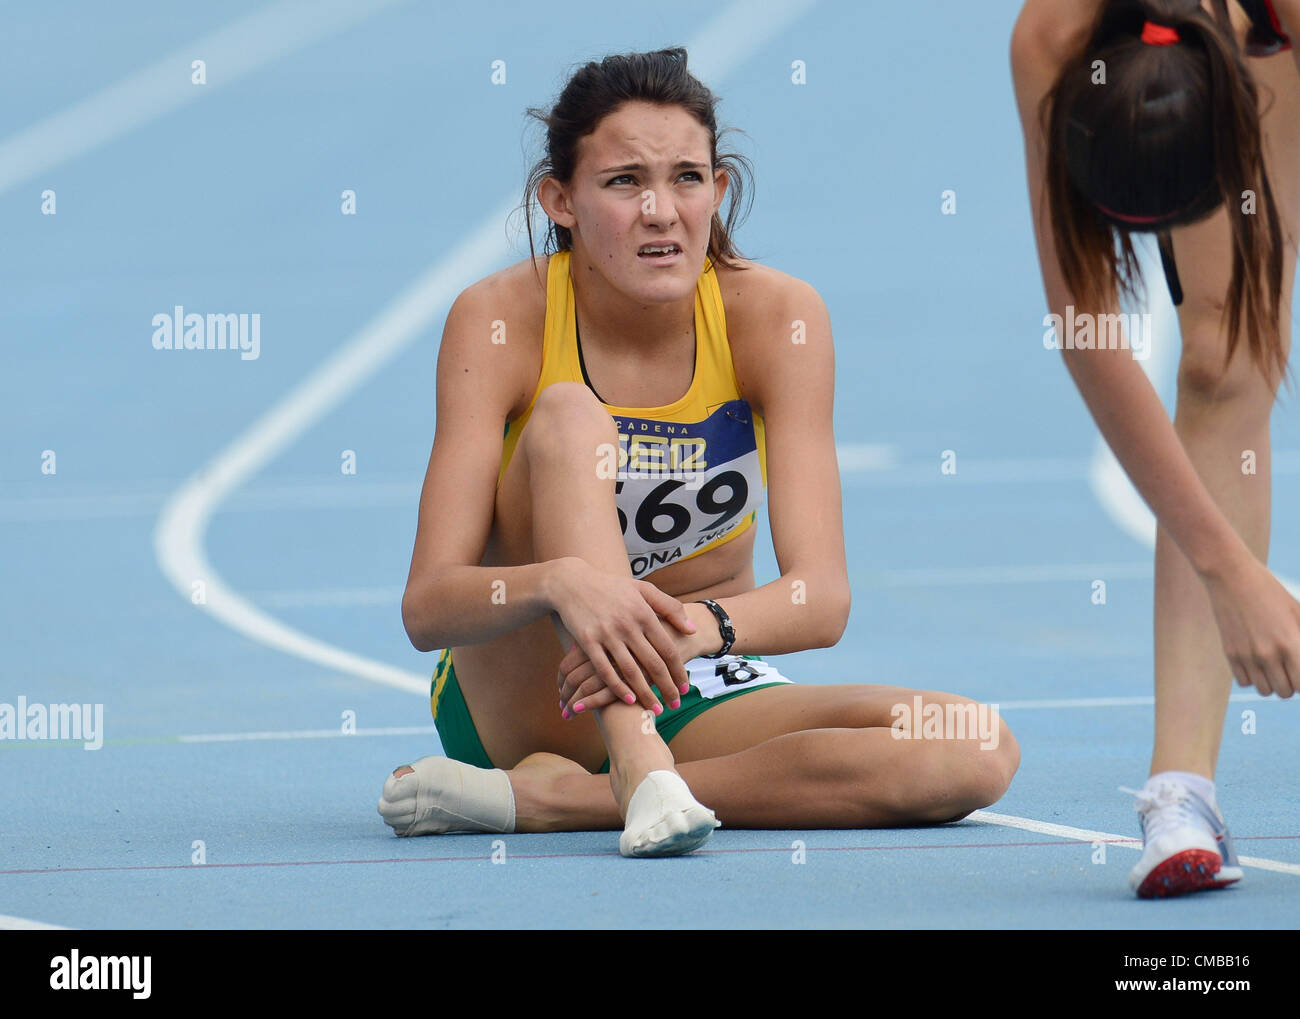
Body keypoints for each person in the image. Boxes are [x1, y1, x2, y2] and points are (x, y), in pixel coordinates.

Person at [379, 47, 1019, 857]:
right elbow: (427, 605)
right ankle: (636, 767)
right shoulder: (499, 319)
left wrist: (690, 629)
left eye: (687, 178)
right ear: (561, 200)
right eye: (623, 183)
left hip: (689, 674)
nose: (660, 210)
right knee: (570, 416)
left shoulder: (779, 318)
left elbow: (820, 598)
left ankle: (561, 799)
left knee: (973, 743)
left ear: (718, 190)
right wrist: (563, 584)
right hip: (529, 686)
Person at [1011, 0, 1299, 896]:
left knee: (1244, 325)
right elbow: (1085, 327)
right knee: (1221, 361)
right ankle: (1182, 790)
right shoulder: (1051, 43)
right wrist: (1231, 572)